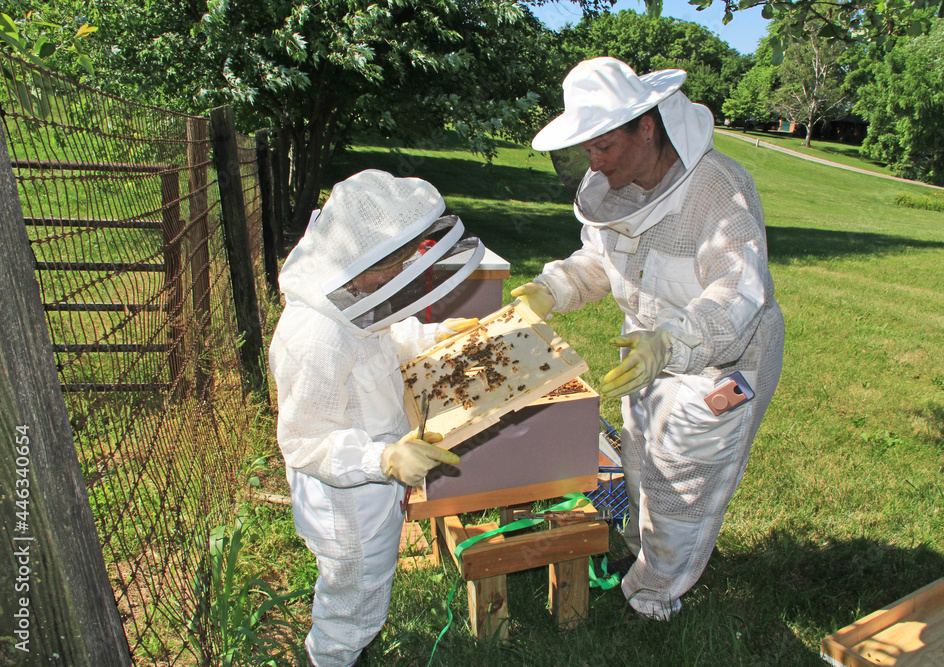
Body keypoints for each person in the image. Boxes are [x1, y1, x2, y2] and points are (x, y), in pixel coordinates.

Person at [511, 57, 784, 620]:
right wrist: (549, 289)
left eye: (603, 146)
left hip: (719, 361)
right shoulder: (614, 191)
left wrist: (670, 343)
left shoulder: (719, 190)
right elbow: (599, 259)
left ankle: (655, 598)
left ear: (647, 127)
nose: (594, 160)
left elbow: (737, 291)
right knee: (639, 463)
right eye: (587, 149)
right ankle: (642, 556)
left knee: (682, 484)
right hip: (647, 352)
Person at [269, 170, 481, 666]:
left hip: (371, 487)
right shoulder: (315, 337)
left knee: (366, 588)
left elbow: (385, 340)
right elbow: (303, 440)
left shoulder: (351, 303)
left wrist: (439, 336)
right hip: (346, 501)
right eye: (392, 267)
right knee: (352, 600)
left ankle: (353, 648)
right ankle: (332, 657)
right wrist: (383, 458)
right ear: (358, 260)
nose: (400, 274)